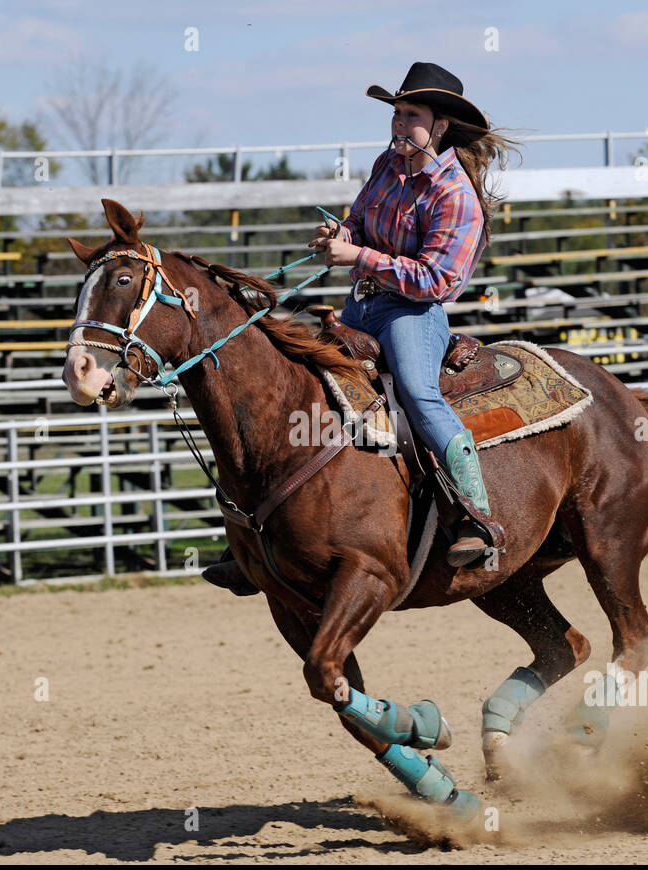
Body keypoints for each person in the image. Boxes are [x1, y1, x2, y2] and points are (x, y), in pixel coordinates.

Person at [201, 62, 519, 594]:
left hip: (411, 314)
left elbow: (437, 280)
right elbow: (362, 222)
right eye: (395, 113)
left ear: (440, 126)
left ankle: (475, 515)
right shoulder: (386, 166)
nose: (398, 124)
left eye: (410, 115)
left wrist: (358, 255)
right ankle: (260, 534)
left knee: (419, 393)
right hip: (361, 305)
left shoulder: (456, 196)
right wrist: (340, 235)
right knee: (295, 382)